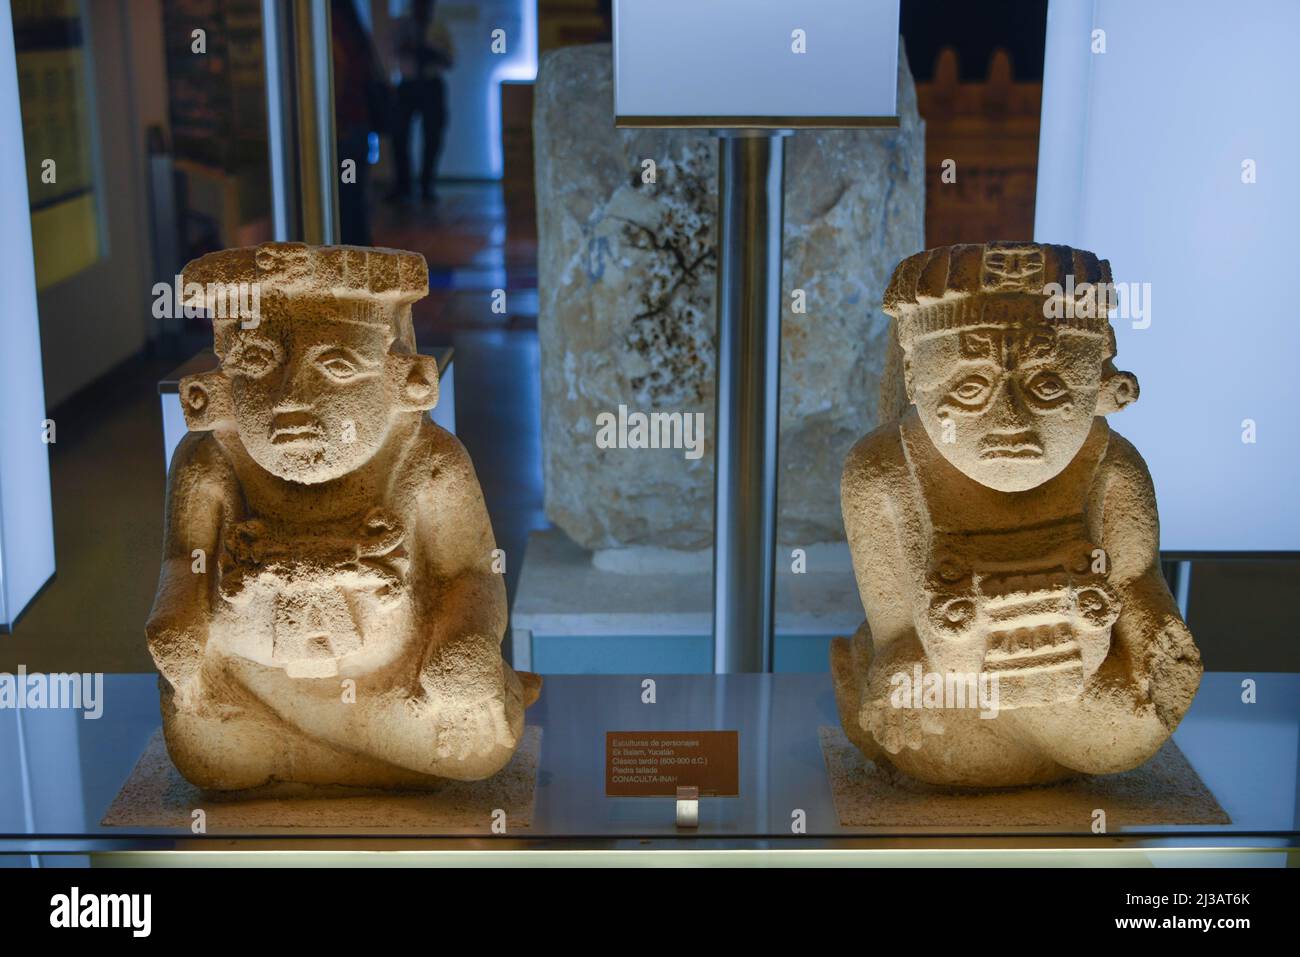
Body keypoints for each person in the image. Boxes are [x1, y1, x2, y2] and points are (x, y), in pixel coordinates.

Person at [388, 0, 454, 205]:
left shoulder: (439, 27)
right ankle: (403, 186)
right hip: (407, 85)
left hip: (431, 84)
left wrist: (432, 51)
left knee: (432, 137)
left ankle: (427, 186)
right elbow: (391, 51)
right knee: (399, 136)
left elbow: (450, 59)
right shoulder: (402, 25)